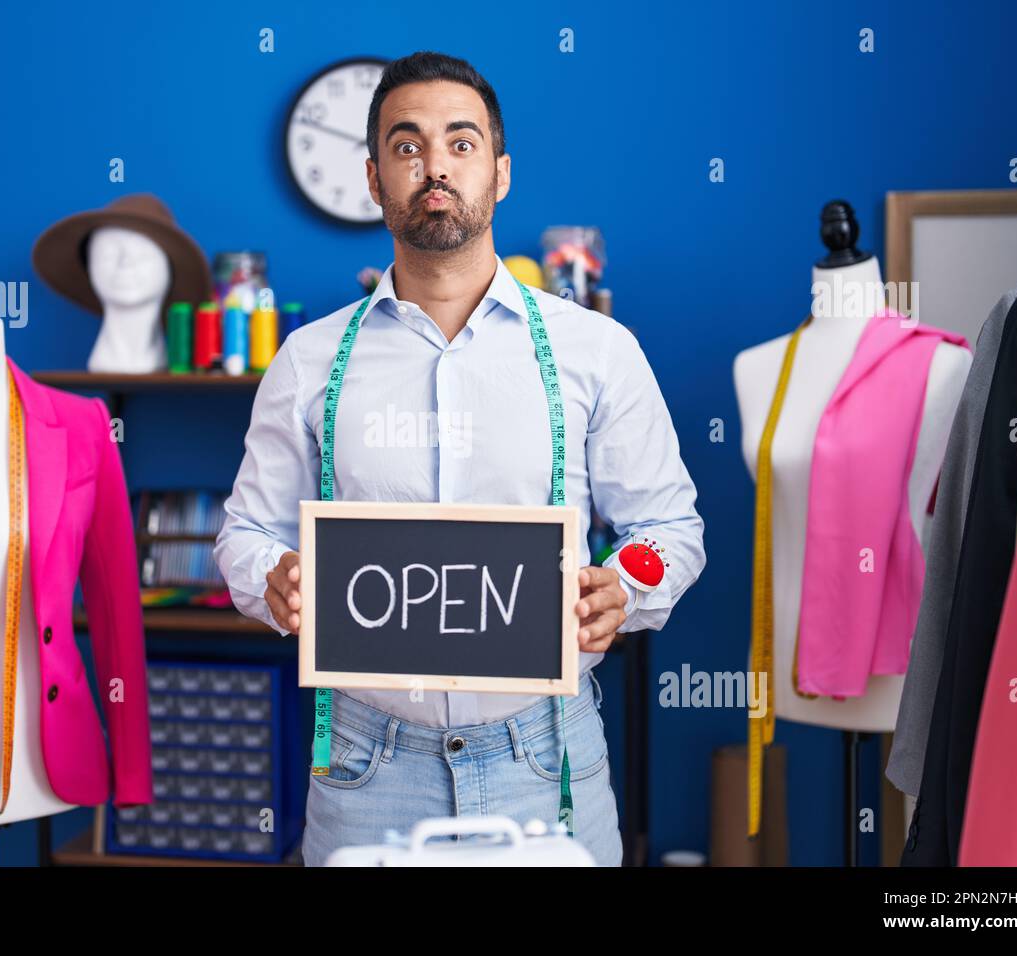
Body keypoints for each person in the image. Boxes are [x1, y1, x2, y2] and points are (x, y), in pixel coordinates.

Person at [215, 51, 705, 866]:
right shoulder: (307, 361)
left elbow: (667, 528)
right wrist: (274, 579)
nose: (434, 164)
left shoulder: (597, 351)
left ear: (500, 172)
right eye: (406, 147)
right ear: (375, 179)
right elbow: (244, 535)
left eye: (461, 143)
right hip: (366, 771)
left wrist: (628, 583)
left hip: (545, 760)